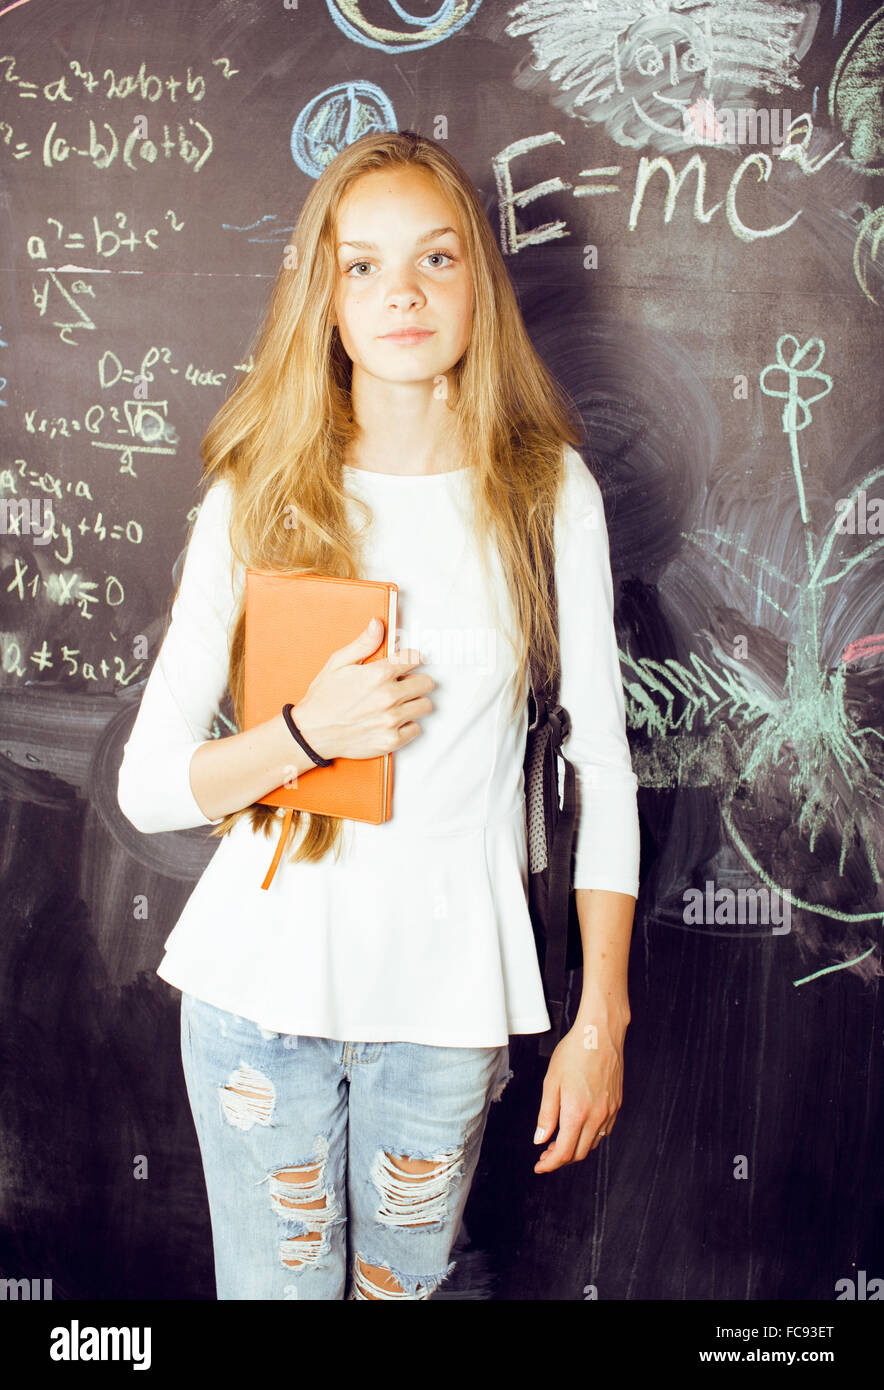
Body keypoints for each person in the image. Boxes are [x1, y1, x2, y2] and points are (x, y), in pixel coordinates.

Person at [117, 130, 640, 1300]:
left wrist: (597, 1016)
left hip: (444, 1007)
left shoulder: (546, 491)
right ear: (326, 296)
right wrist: (308, 731)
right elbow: (149, 783)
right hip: (257, 1001)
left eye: (435, 259)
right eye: (361, 266)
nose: (400, 291)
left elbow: (603, 767)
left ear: (476, 286)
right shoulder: (257, 490)